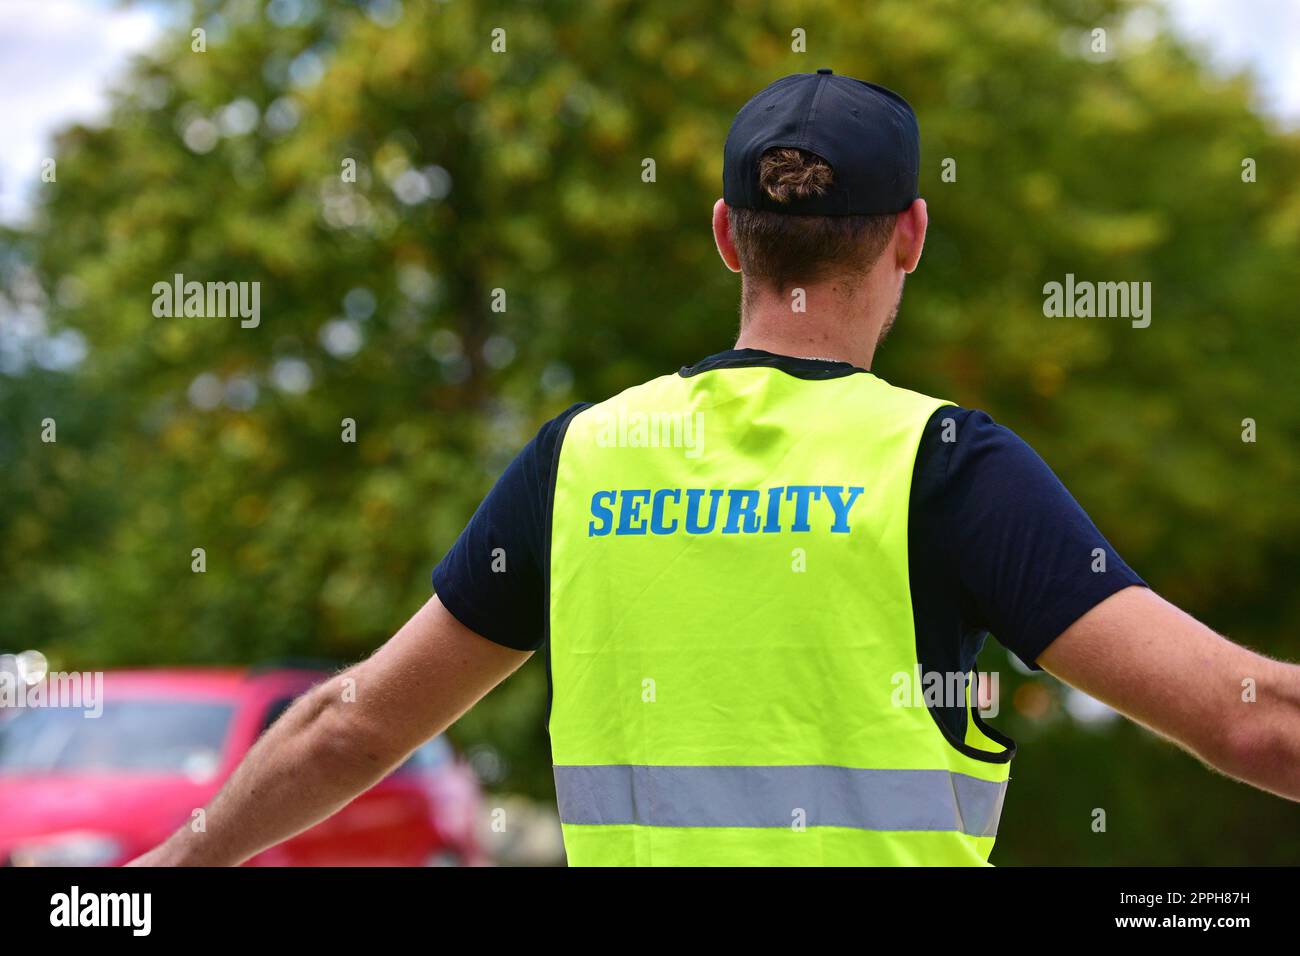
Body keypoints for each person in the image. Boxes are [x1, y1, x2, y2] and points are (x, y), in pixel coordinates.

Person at [132, 70, 1300, 868]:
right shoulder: (943, 469)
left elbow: (348, 723)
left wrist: (172, 863)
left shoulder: (584, 458)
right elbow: (1254, 722)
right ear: (910, 235)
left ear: (726, 234)